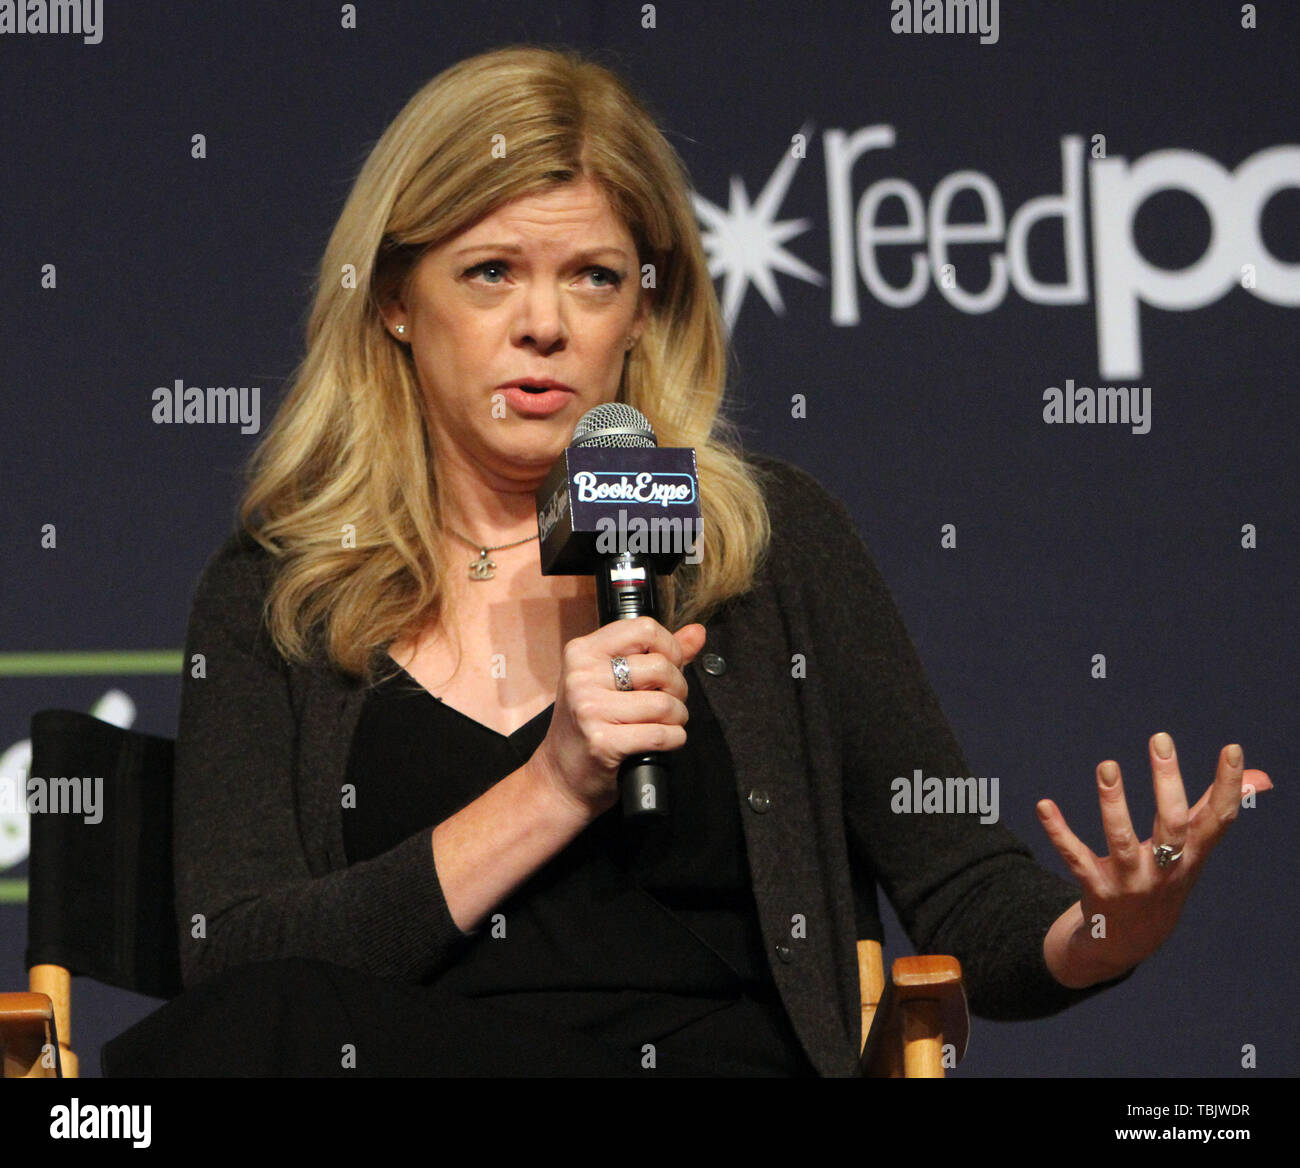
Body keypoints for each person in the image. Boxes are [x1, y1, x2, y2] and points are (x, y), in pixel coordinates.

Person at [102, 44, 1270, 1078]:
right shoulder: (282, 588)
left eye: (594, 277)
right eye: (492, 270)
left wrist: (1111, 925)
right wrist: (553, 787)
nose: (545, 324)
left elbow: (964, 897)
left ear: (645, 314)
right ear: (398, 300)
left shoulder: (760, 548)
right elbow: (237, 962)